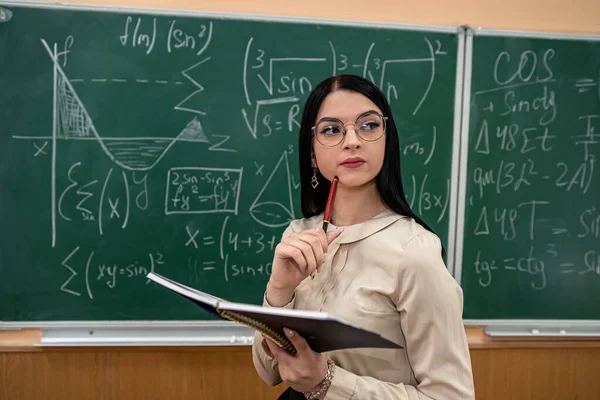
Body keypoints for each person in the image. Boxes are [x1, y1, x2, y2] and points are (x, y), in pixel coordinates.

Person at [251, 74, 475, 399]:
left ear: (387, 139)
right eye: (331, 129)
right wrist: (279, 290)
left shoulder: (414, 251)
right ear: (312, 153)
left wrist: (327, 383)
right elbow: (268, 371)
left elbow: (453, 396)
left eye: (368, 126)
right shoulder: (298, 234)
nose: (352, 140)